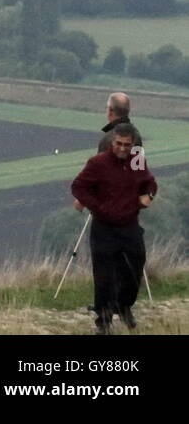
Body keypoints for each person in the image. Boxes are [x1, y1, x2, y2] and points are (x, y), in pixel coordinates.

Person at [71, 123, 158, 333]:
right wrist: (96, 207)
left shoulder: (136, 161)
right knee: (104, 276)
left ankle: (124, 305)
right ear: (112, 142)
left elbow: (150, 183)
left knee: (135, 267)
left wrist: (149, 196)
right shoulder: (98, 163)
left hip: (129, 225)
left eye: (127, 145)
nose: (122, 148)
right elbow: (78, 187)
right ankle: (104, 320)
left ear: (132, 145)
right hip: (104, 227)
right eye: (118, 144)